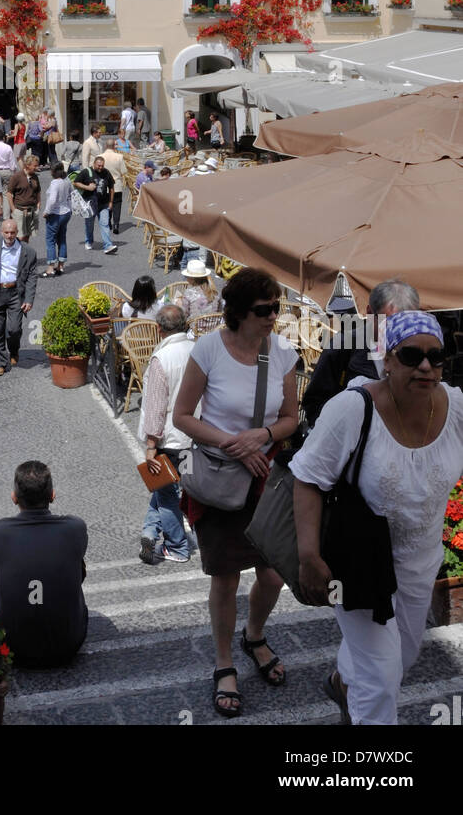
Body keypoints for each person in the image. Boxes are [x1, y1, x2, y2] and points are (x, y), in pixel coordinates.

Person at [292, 310, 463, 727]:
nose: (425, 366)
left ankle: (342, 682)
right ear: (386, 360)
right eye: (410, 356)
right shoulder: (352, 408)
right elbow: (307, 478)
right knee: (383, 679)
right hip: (355, 563)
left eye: (435, 357)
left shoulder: (456, 407)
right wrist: (309, 556)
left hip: (418, 564)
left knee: (402, 658)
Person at [172, 266, 299, 718]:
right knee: (225, 578)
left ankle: (255, 634)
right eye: (265, 310)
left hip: (265, 478)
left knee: (274, 574)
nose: (273, 317)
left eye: (276, 308)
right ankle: (224, 663)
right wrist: (234, 443)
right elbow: (183, 416)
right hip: (222, 478)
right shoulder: (209, 350)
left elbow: (291, 418)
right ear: (240, 312)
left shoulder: (283, 352)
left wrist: (261, 436)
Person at [0, 461, 88, 668]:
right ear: (52, 495)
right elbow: (80, 575)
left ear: (14, 497)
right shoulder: (75, 527)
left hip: (12, 647)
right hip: (67, 645)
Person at [302, 279, 419, 428]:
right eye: (389, 322)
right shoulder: (344, 345)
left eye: (406, 323)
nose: (398, 331)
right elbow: (315, 403)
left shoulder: (419, 349)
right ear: (369, 313)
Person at [139, 305, 197, 564]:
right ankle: (150, 531)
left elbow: (155, 407)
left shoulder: (162, 358)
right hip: (194, 440)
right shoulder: (198, 351)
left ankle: (177, 547)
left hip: (169, 441)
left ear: (158, 328)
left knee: (166, 495)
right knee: (176, 490)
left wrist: (151, 445)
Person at [0, 219, 38, 376]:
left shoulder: (27, 251)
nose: (9, 235)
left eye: (12, 232)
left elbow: (32, 276)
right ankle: (0, 362)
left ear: (17, 233)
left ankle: (14, 350)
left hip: (16, 293)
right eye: (6, 232)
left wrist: (29, 299)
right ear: (1, 232)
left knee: (14, 329)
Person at [73, 155, 117, 254]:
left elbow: (111, 188)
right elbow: (75, 183)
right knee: (89, 225)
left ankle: (108, 246)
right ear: (94, 164)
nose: (100, 168)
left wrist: (111, 202)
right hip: (90, 204)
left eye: (102, 166)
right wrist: (87, 187)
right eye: (98, 165)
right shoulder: (86, 172)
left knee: (105, 224)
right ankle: (89, 241)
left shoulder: (106, 172)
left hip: (103, 203)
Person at [42, 163, 73, 277]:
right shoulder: (67, 180)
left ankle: (50, 267)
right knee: (62, 238)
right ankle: (61, 265)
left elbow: (52, 200)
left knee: (50, 240)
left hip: (55, 213)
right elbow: (71, 194)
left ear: (53, 171)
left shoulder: (55, 183)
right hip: (66, 212)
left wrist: (47, 211)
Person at [5, 154, 41, 244]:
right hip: (19, 210)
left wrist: (38, 205)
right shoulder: (17, 177)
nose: (37, 167)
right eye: (35, 166)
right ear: (27, 165)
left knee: (27, 236)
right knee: (19, 237)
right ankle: (16, 255)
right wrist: (13, 209)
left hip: (31, 210)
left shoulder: (35, 177)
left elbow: (38, 192)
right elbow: (9, 193)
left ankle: (25, 255)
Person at [101, 137, 125, 235]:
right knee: (117, 205)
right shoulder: (119, 157)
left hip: (104, 185)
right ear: (114, 146)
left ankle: (108, 222)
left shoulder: (100, 156)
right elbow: (124, 171)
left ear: (106, 146)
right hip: (117, 184)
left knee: (107, 204)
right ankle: (116, 224)